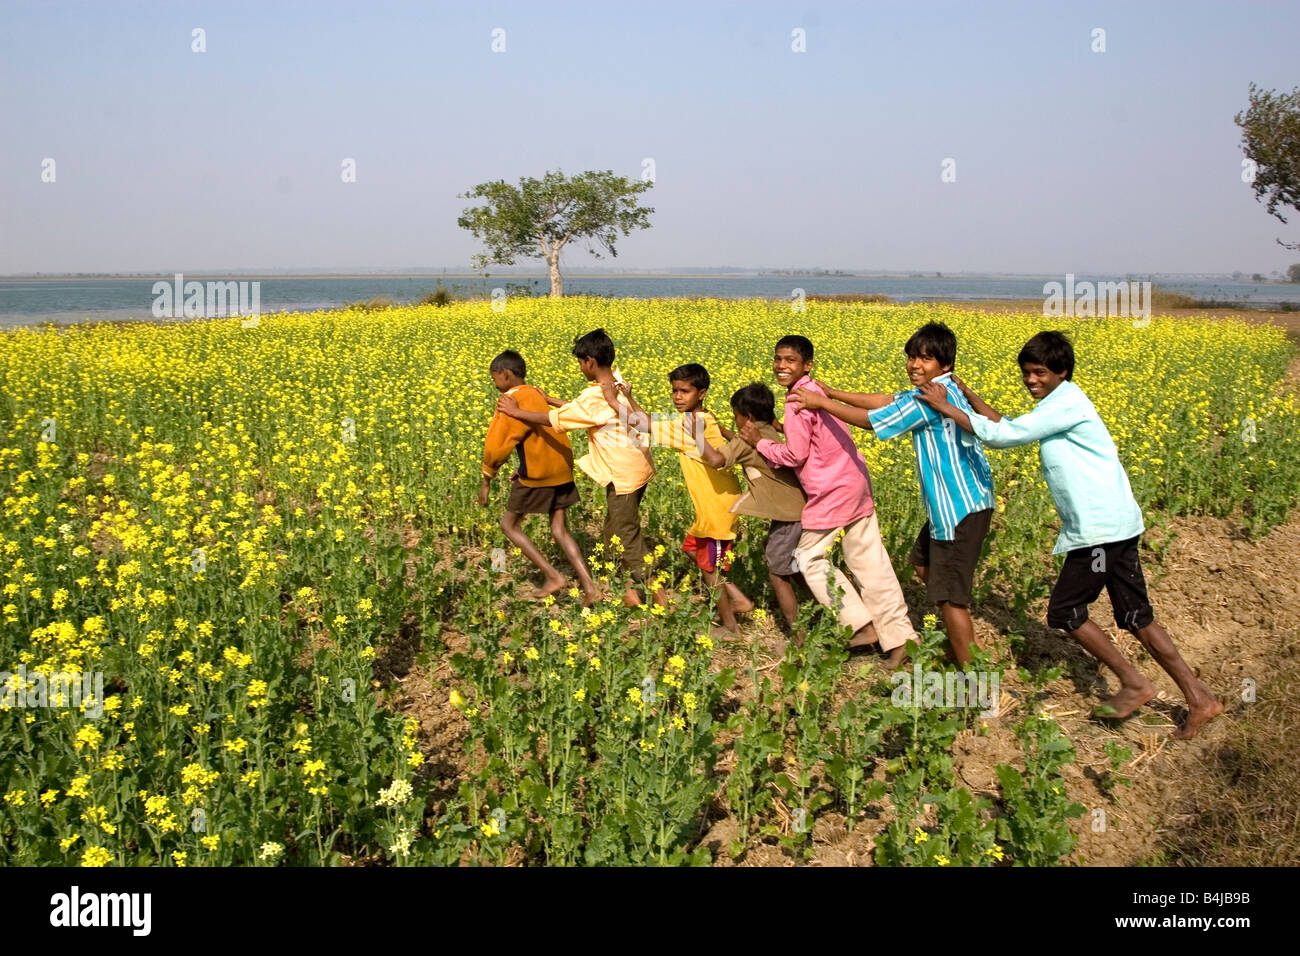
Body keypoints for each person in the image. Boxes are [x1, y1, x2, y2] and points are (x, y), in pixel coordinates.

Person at [918, 330, 1222, 738]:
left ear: (1062, 371)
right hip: (1117, 525)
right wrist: (968, 396)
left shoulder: (1067, 404)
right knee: (1136, 616)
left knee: (1066, 612)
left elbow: (1004, 436)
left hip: (1098, 532)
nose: (1031, 380)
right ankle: (1200, 699)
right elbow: (1006, 423)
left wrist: (944, 405)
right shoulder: (1059, 403)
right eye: (1026, 373)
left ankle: (1134, 683)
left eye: (1040, 372)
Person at [790, 322, 994, 664]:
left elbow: (873, 420)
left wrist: (819, 404)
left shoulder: (930, 400)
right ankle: (935, 641)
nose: (914, 364)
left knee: (949, 597)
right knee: (921, 565)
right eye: (911, 357)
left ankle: (973, 671)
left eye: (925, 359)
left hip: (958, 507)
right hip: (958, 506)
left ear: (945, 365)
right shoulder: (939, 389)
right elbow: (885, 400)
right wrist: (834, 394)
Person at [739, 335, 915, 666]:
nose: (781, 366)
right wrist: (780, 426)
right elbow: (809, 433)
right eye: (778, 359)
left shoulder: (797, 401)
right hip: (855, 480)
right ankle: (902, 639)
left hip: (832, 489)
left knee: (809, 558)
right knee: (870, 561)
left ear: (807, 366)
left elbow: (794, 453)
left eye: (790, 361)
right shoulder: (814, 391)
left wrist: (759, 443)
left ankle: (859, 625)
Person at [495, 328, 666, 607]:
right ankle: (630, 597)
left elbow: (555, 419)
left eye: (580, 362)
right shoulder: (617, 382)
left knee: (627, 537)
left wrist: (516, 412)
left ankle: (662, 601)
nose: (580, 368)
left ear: (589, 361)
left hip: (624, 476)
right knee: (612, 536)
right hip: (637, 469)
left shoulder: (595, 396)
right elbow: (585, 412)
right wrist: (550, 398)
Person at [617, 364, 754, 635]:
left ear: (701, 393)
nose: (677, 397)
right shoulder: (699, 419)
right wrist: (630, 397)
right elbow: (647, 422)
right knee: (691, 549)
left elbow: (640, 424)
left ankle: (730, 627)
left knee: (709, 568)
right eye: (674, 391)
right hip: (718, 505)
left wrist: (616, 400)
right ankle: (738, 599)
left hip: (717, 507)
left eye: (685, 391)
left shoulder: (691, 426)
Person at [478, 350, 599, 603]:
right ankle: (590, 588)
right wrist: (522, 467)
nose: (494, 384)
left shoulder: (510, 401)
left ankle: (553, 576)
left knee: (509, 525)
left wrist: (487, 478)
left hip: (540, 475)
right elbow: (540, 434)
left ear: (506, 375)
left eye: (494, 379)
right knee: (559, 529)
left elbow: (497, 445)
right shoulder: (535, 392)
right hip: (561, 469)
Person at [694, 382, 807, 629]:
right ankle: (815, 607)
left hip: (789, 515)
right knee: (793, 562)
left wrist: (697, 434)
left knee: (778, 573)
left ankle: (798, 634)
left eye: (736, 416)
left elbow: (716, 460)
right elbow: (745, 447)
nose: (735, 421)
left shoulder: (747, 441)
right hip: (797, 509)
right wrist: (724, 430)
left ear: (749, 418)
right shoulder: (767, 431)